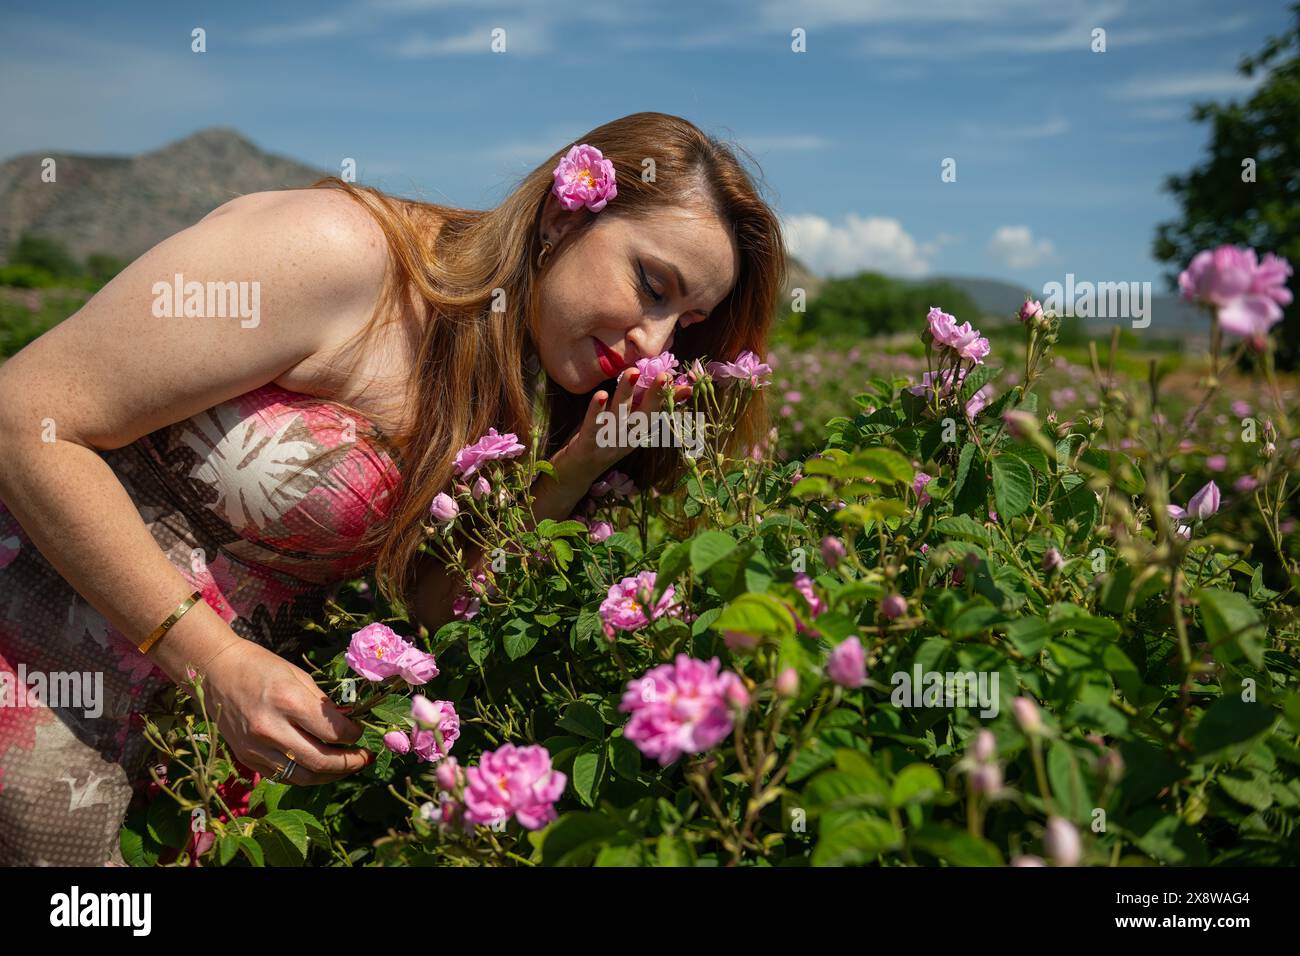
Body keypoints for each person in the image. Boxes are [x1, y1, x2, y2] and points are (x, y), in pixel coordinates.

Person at [0, 111, 786, 865]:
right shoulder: (346, 255)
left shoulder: (507, 373)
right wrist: (210, 657)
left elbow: (435, 605)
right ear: (561, 217)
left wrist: (574, 469)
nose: (655, 342)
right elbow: (25, 416)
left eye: (687, 323)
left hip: (174, 766)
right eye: (652, 284)